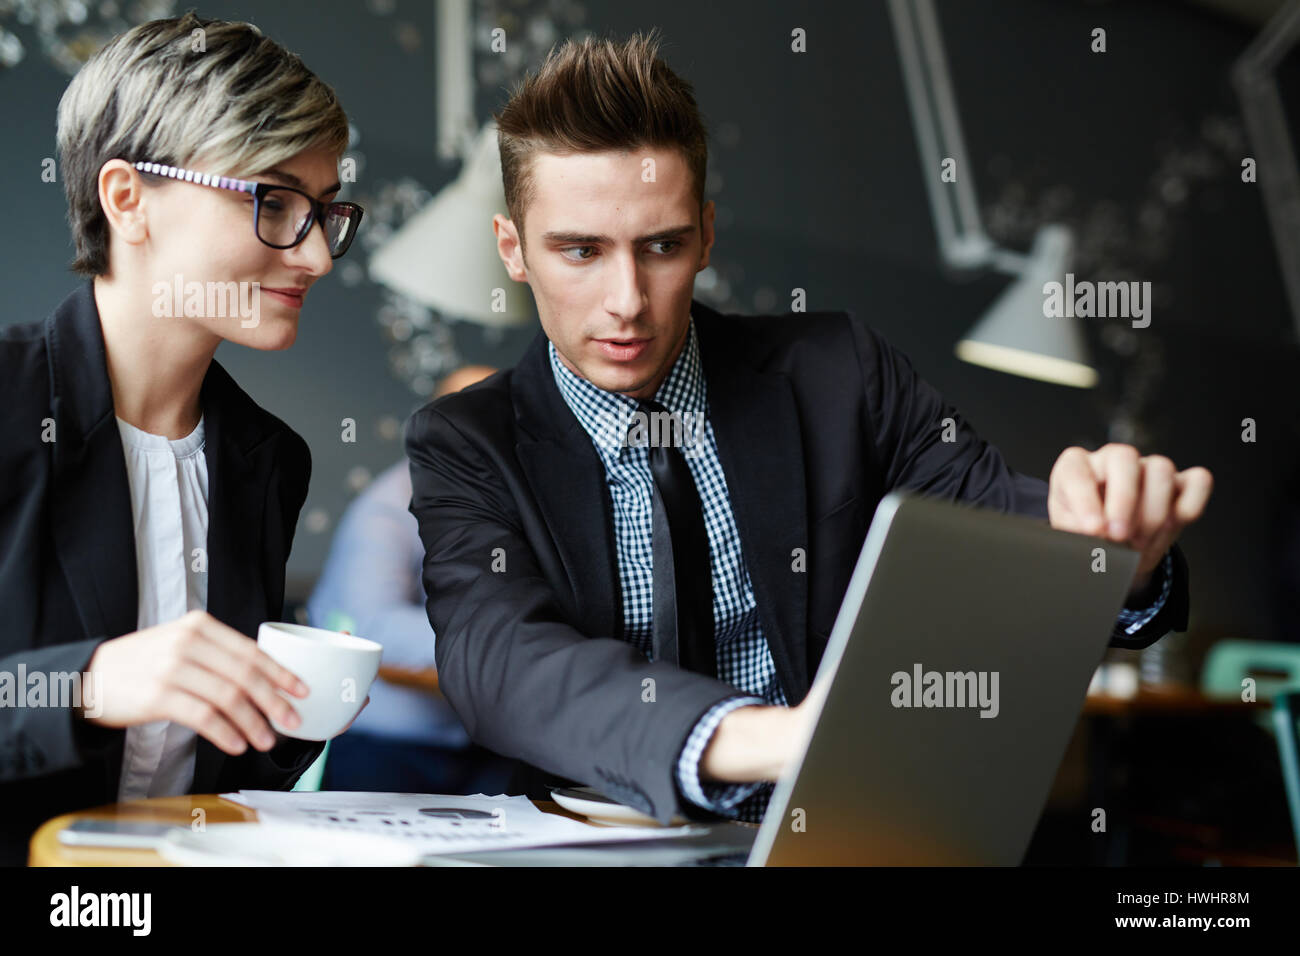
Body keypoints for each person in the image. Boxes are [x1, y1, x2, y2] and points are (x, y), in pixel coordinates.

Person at [404, 32, 1214, 826]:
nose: (627, 301)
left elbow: (1009, 533)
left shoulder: (840, 374)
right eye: (581, 251)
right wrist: (773, 739)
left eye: (662, 247)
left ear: (706, 236)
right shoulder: (467, 440)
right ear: (513, 249)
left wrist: (1116, 550)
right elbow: (498, 658)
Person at [0, 14, 365, 864]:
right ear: (128, 199)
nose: (317, 256)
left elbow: (231, 774)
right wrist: (87, 683)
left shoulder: (269, 459)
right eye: (274, 202)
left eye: (324, 212)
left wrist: (293, 715)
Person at [307, 365, 514, 795]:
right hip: (383, 747)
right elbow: (375, 630)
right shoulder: (385, 510)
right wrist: (514, 643)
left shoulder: (504, 503)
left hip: (483, 745)